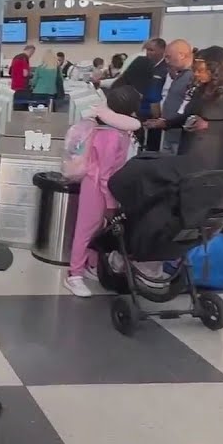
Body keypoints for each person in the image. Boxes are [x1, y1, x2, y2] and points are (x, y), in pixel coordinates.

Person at [64, 86, 143, 297]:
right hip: (97, 186)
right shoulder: (112, 134)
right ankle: (74, 274)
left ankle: (90, 265)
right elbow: (104, 173)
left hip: (103, 185)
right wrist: (110, 202)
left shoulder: (114, 129)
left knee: (97, 229)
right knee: (86, 230)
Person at [150, 46, 223, 170]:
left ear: (216, 69)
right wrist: (166, 123)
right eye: (195, 70)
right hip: (190, 157)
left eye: (201, 70)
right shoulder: (201, 88)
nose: (196, 74)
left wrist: (209, 125)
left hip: (219, 160)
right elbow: (189, 115)